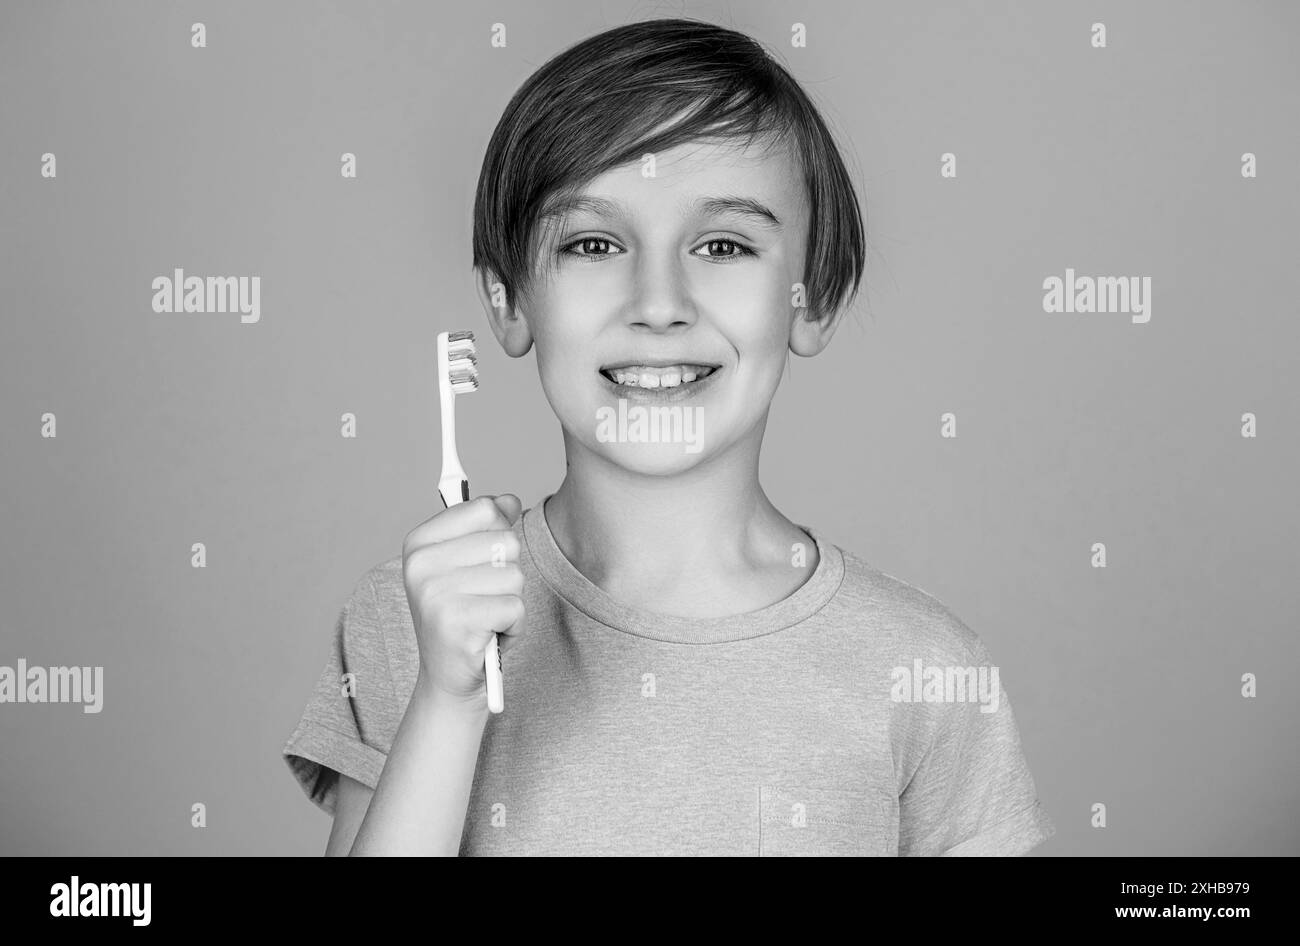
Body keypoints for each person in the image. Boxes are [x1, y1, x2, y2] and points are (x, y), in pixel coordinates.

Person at [283, 16, 1055, 856]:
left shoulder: (927, 669)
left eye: (724, 244)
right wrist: (449, 699)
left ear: (815, 297)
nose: (658, 301)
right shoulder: (416, 620)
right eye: (593, 243)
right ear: (508, 302)